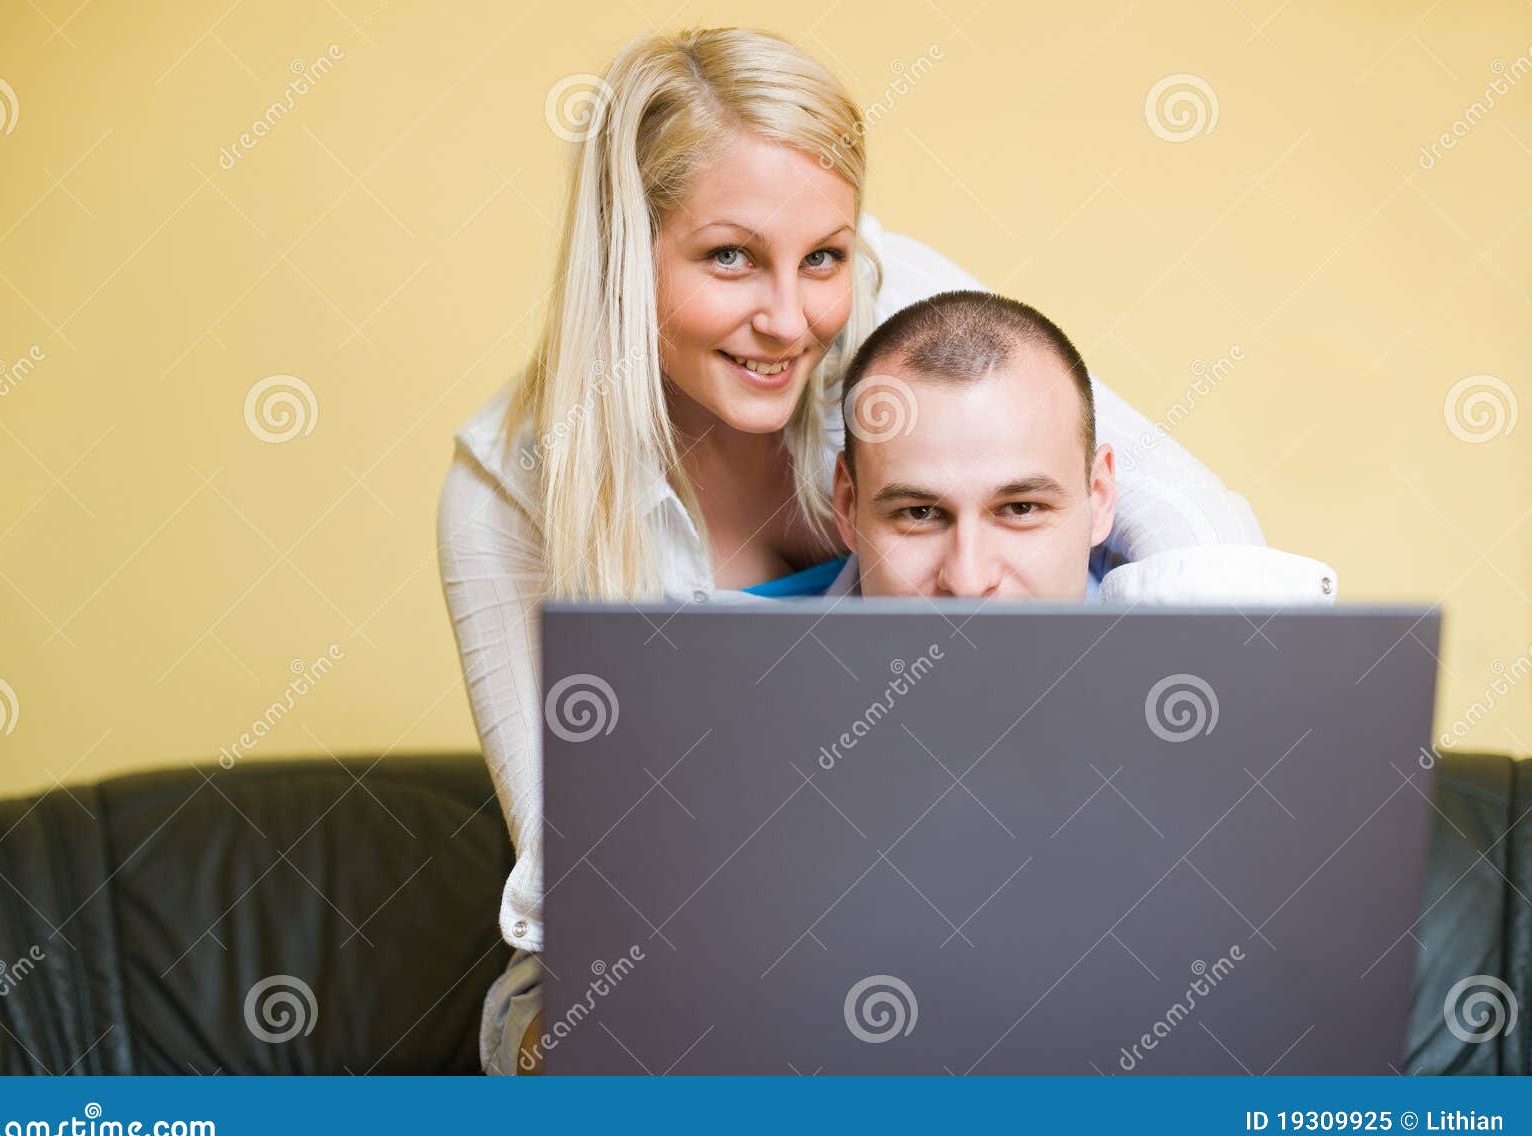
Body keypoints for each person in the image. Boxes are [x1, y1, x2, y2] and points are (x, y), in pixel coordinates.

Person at [436, 27, 1328, 1076]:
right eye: (729, 256)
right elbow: (576, 881)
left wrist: (1178, 782)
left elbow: (1185, 520)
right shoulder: (509, 490)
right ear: (628, 251)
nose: (787, 319)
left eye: (819, 255)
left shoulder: (888, 303)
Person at [824, 290, 1337, 603]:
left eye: (1021, 508)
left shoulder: (1213, 696)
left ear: (1099, 497)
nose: (967, 579)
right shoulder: (756, 694)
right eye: (918, 513)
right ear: (847, 507)